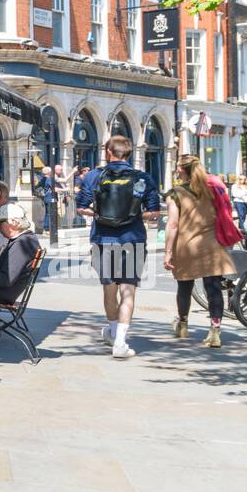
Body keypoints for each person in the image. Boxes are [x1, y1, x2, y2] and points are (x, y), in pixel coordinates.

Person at [76, 135, 162, 359]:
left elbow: (81, 208)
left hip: (103, 240)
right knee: (128, 291)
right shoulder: (142, 178)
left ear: (107, 152)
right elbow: (154, 213)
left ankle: (113, 332)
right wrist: (132, 214)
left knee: (109, 290)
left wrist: (100, 213)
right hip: (132, 239)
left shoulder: (94, 176)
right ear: (130, 153)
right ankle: (121, 343)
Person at [165, 154, 237, 348]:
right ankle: (215, 330)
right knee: (213, 288)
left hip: (187, 245)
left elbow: (172, 224)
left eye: (178, 167)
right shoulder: (214, 189)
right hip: (213, 244)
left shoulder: (176, 193)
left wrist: (168, 252)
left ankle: (182, 323)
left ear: (182, 169)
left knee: (184, 287)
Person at [0, 203, 42, 305]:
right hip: (0, 290)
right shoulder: (20, 240)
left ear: (14, 222)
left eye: (0, 222)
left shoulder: (22, 243)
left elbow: (6, 279)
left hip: (0, 293)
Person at [38, 168, 57, 233]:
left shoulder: (42, 179)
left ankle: (46, 228)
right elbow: (54, 189)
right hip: (50, 198)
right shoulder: (48, 179)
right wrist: (65, 189)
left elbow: (37, 186)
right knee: (49, 214)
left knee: (47, 213)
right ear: (49, 172)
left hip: (45, 198)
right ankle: (47, 229)